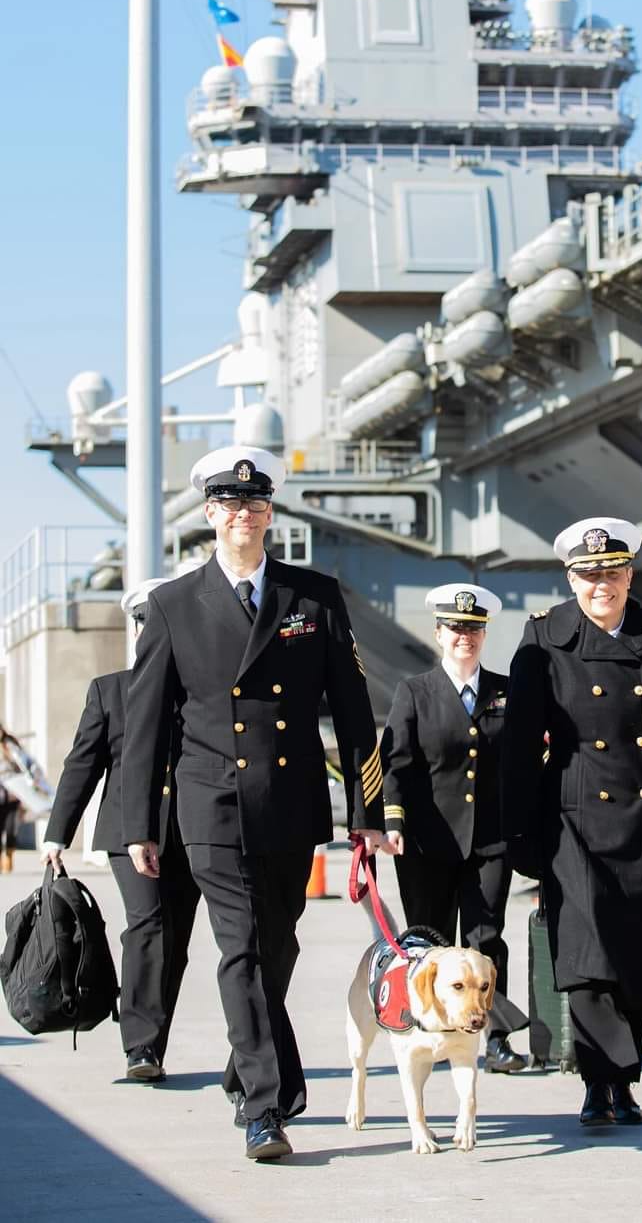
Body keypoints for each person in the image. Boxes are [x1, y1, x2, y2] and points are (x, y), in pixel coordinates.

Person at [122, 445, 385, 1162]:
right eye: (231, 504)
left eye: (256, 503)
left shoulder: (312, 596)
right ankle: (266, 1107)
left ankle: (249, 1064)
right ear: (210, 514)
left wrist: (369, 814)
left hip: (292, 803)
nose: (244, 514)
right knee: (238, 947)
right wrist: (140, 823)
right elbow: (145, 727)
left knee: (277, 945)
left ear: (271, 512)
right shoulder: (173, 604)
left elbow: (355, 711)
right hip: (212, 805)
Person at [500, 517, 642, 1127]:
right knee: (588, 954)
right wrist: (517, 829)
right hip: (574, 819)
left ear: (631, 574)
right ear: (570, 579)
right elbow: (520, 743)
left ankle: (621, 1083)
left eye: (613, 572)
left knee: (637, 958)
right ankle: (601, 1082)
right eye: (589, 574)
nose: (602, 583)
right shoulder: (544, 638)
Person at [40, 578, 201, 1082]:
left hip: (191, 833)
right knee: (148, 926)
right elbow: (81, 766)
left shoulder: (200, 693)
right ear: (136, 632)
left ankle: (154, 1039)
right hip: (126, 832)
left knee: (175, 940)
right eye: (145, 624)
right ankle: (140, 1045)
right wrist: (56, 833)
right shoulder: (110, 691)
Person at [380, 583, 527, 1074]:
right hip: (428, 842)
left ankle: (498, 1037)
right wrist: (393, 821)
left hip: (490, 840)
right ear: (439, 633)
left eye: (475, 628)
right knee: (431, 945)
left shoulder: (508, 692)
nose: (466, 637)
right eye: (457, 628)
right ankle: (431, 1028)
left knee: (487, 940)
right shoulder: (415, 692)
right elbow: (396, 763)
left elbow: (527, 762)